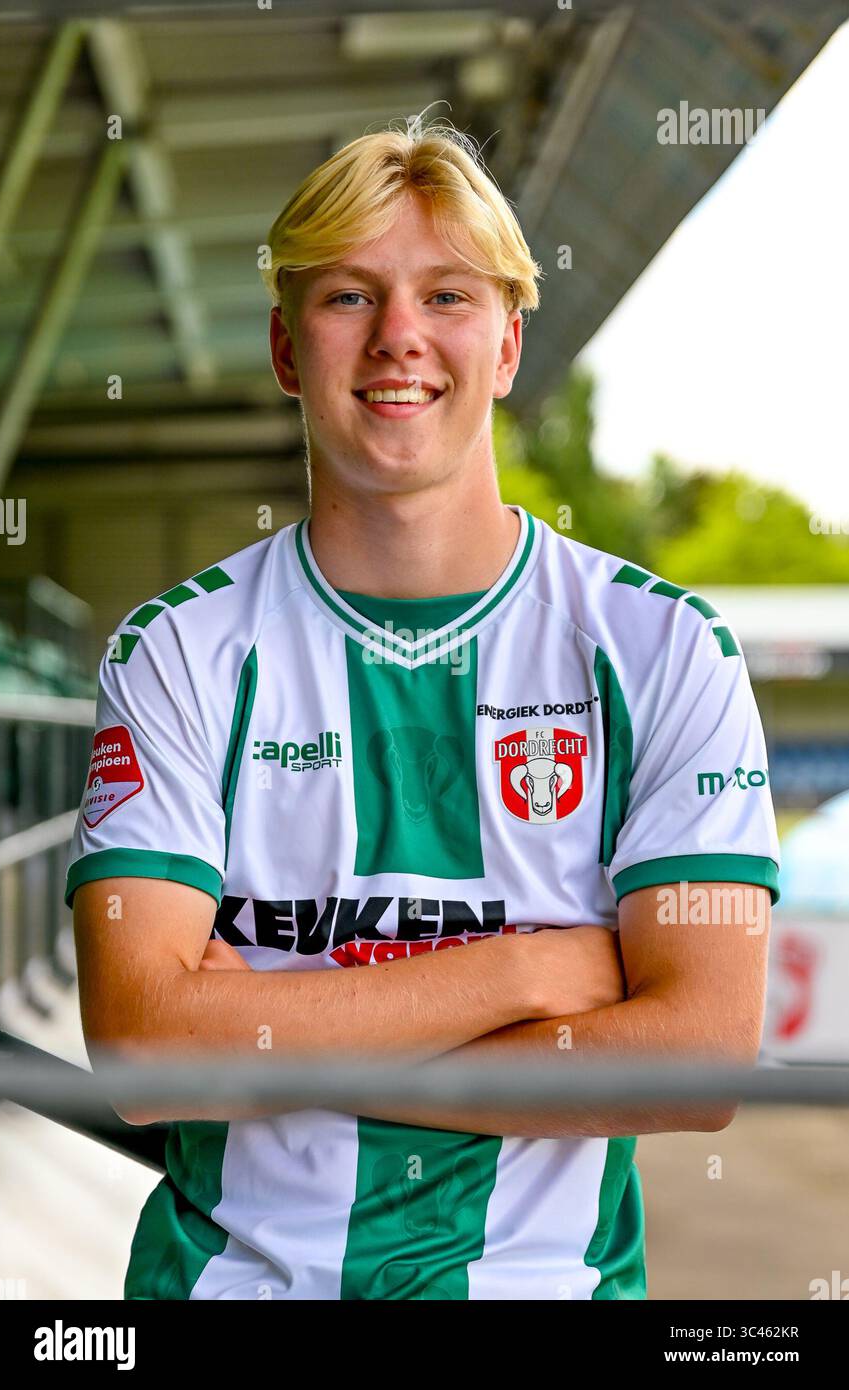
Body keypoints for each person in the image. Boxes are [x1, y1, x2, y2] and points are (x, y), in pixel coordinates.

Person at [67, 115, 780, 1301]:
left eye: (446, 295)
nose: (400, 337)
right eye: (349, 296)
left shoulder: (661, 648)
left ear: (506, 342)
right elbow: (145, 1053)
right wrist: (527, 973)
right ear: (289, 349)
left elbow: (696, 1061)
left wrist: (263, 1033)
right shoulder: (178, 651)